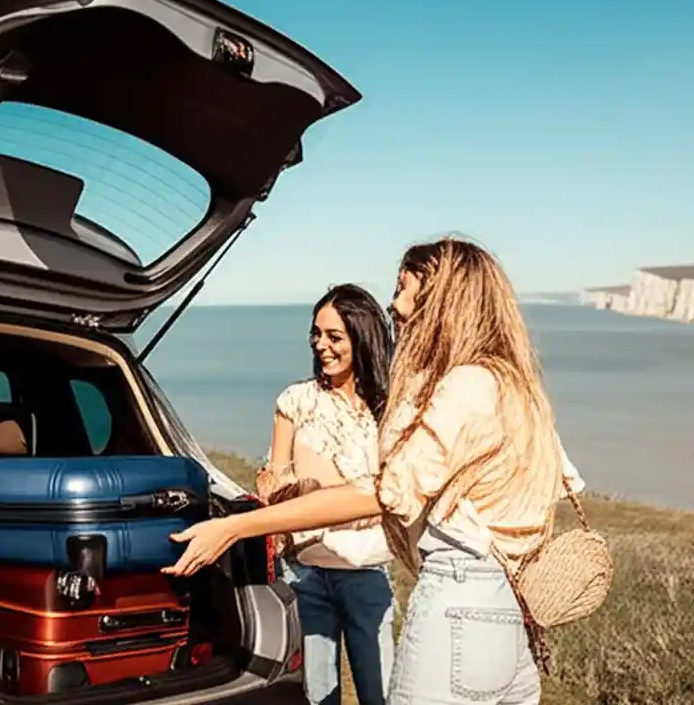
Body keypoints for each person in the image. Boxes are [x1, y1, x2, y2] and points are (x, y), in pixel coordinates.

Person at [164, 236, 584, 705]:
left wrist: (233, 527)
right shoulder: (518, 388)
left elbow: (383, 494)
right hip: (509, 621)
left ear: (443, 299)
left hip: (459, 605)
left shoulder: (466, 385)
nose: (394, 304)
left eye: (404, 288)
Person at [255, 284, 396, 705]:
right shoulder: (295, 401)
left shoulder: (388, 408)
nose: (321, 346)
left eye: (334, 336)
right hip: (305, 573)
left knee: (380, 694)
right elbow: (276, 481)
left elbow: (395, 492)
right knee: (317, 697)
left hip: (367, 569)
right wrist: (273, 489)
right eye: (316, 335)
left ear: (362, 337)